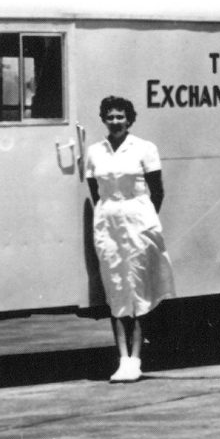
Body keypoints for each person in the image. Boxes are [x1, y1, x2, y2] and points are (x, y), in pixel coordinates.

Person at [83, 96, 176, 383]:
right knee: (115, 287)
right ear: (104, 119)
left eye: (120, 117)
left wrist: (143, 220)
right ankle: (121, 357)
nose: (115, 122)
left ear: (130, 119)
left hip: (138, 221)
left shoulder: (145, 149)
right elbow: (95, 190)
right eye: (110, 117)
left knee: (137, 287)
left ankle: (136, 358)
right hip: (107, 223)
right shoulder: (94, 152)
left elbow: (156, 190)